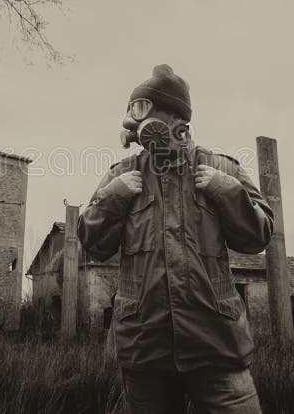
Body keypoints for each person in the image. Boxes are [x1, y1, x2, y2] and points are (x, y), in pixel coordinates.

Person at [78, 64, 275, 414]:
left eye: (144, 111)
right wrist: (113, 199)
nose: (135, 126)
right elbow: (93, 243)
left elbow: (258, 237)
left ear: (177, 121)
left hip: (217, 347)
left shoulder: (223, 169)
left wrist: (227, 193)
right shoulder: (122, 174)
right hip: (144, 350)